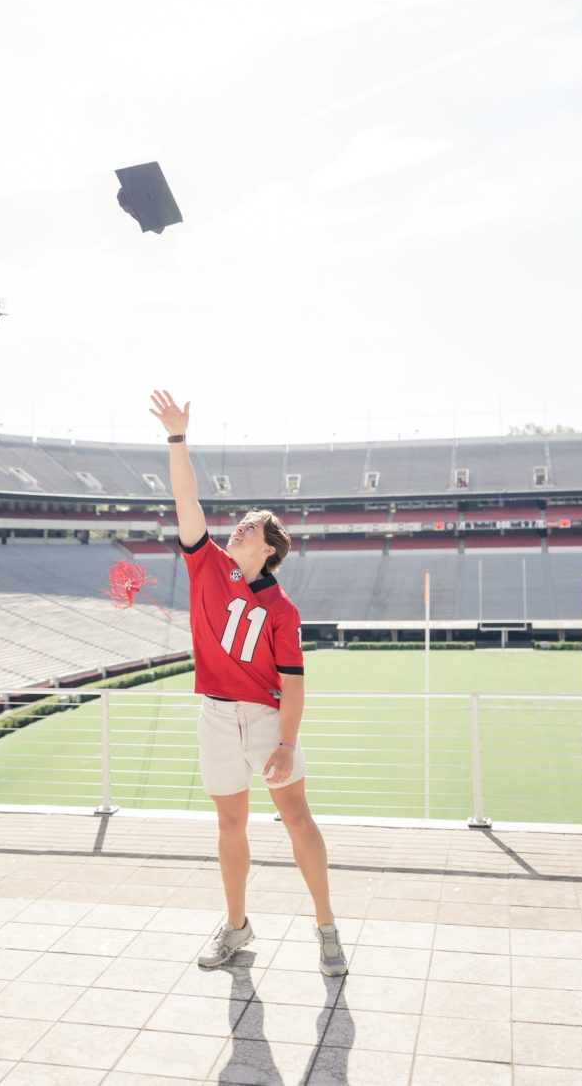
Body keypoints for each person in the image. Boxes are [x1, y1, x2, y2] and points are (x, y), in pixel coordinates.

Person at [149, 389, 347, 977]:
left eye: (250, 526)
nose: (237, 527)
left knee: (297, 819)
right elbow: (186, 495)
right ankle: (236, 926)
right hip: (215, 713)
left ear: (270, 546)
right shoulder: (205, 561)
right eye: (239, 522)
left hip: (264, 719)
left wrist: (286, 743)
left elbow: (293, 684)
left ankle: (327, 927)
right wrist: (178, 436)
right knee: (229, 824)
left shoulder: (282, 609)